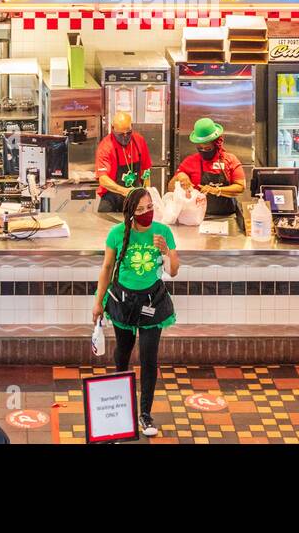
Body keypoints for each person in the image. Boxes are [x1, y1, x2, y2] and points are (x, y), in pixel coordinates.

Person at [92, 187, 179, 437]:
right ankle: (120, 408)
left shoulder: (163, 232)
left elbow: (173, 271)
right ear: (130, 213)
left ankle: (145, 414)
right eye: (140, 209)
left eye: (149, 207)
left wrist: (166, 251)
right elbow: (107, 268)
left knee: (149, 360)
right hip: (122, 302)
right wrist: (98, 303)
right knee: (122, 355)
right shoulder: (117, 233)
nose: (146, 213)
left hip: (153, 303)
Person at [170, 117, 245, 221]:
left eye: (208, 148)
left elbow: (240, 187)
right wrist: (180, 176)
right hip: (197, 218)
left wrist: (216, 190)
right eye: (200, 148)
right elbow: (170, 188)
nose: (204, 151)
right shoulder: (190, 161)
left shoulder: (230, 159)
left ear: (216, 144)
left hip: (227, 217)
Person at [94, 111, 153, 214]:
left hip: (134, 196)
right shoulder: (105, 147)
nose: (125, 137)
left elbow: (145, 170)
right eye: (121, 134)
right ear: (112, 129)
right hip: (111, 197)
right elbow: (103, 179)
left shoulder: (139, 141)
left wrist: (146, 192)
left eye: (128, 133)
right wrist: (123, 190)